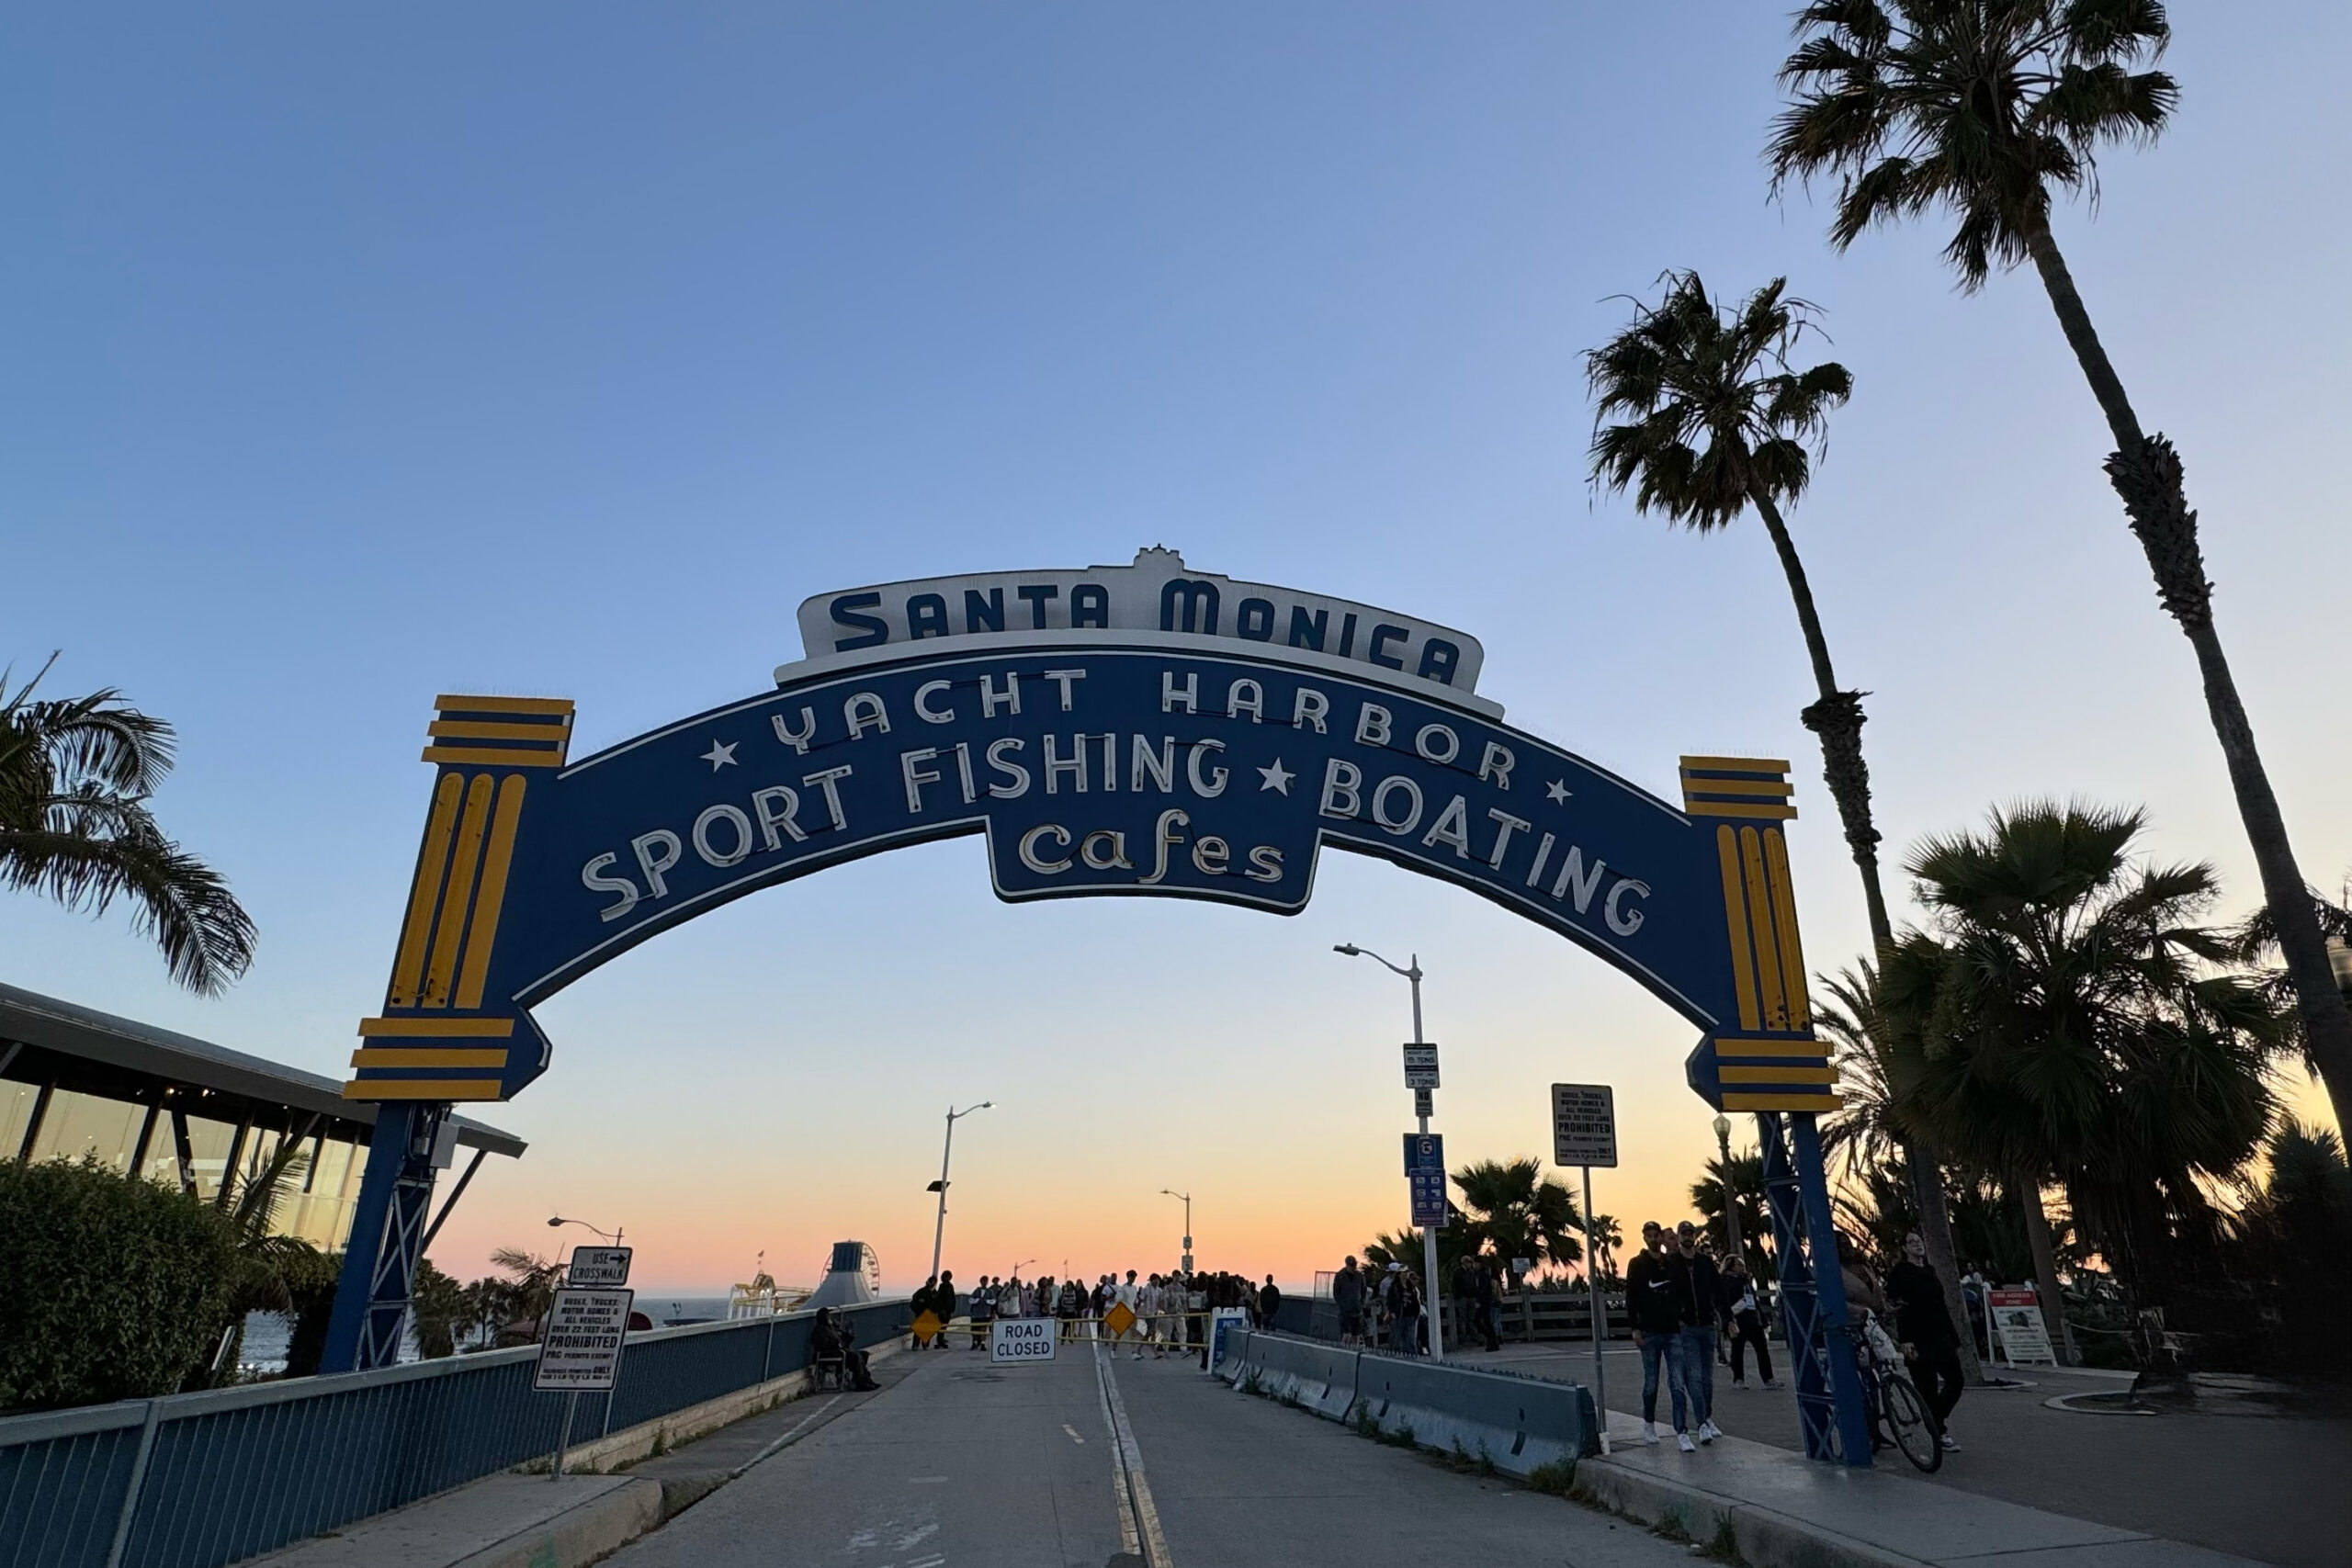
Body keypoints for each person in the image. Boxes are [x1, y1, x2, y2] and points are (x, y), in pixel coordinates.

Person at [1885, 1230, 1964, 1450]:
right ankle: (1939, 1432)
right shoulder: (1900, 1273)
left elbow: (1941, 1304)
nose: (1917, 1245)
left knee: (1956, 1380)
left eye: (1919, 1241)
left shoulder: (1930, 1270)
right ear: (1904, 1248)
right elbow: (1899, 1308)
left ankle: (1935, 1418)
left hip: (1940, 1333)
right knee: (1926, 1385)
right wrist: (1905, 1339)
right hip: (1917, 1337)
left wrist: (1953, 1335)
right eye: (1912, 1242)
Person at [1624, 1222, 1697, 1450]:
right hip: (1649, 1331)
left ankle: (1682, 1432)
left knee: (1677, 1383)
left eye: (1657, 1235)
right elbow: (1631, 1296)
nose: (1654, 1239)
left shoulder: (1671, 1263)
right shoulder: (1637, 1264)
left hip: (1672, 1331)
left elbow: (1682, 1291)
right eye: (1650, 1235)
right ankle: (1649, 1423)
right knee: (1651, 1383)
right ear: (1644, 1238)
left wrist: (1681, 1315)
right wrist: (1635, 1328)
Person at [1676, 1224, 1723, 1445]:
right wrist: (1677, 1316)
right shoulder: (1673, 1263)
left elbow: (1718, 1290)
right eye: (1684, 1234)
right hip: (1686, 1328)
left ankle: (1707, 1416)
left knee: (1707, 1378)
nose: (1688, 1237)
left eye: (1691, 1233)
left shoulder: (1705, 1263)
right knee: (1694, 1376)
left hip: (1706, 1325)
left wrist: (1727, 1318)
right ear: (1679, 1237)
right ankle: (1702, 1423)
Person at [1719, 1256, 1777, 1389]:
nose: (1742, 1267)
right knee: (1737, 1350)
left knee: (1762, 1349)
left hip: (1753, 1319)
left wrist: (1763, 1321)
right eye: (1739, 1265)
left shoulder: (1746, 1281)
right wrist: (1728, 1320)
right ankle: (1738, 1379)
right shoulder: (1726, 1282)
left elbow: (1754, 1301)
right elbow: (1724, 1302)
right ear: (1731, 1267)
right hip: (1738, 1319)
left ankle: (1769, 1378)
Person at [813, 1307, 879, 1390]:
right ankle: (860, 1382)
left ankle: (866, 1380)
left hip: (838, 1351)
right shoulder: (819, 1330)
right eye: (829, 1316)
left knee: (864, 1354)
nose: (831, 1317)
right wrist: (837, 1344)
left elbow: (840, 1340)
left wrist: (847, 1337)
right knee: (855, 1357)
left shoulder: (830, 1328)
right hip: (830, 1353)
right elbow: (824, 1345)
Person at [1334, 1256, 1366, 1347]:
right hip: (1345, 1310)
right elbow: (1336, 1293)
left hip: (1357, 1309)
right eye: (1351, 1265)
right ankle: (1344, 1350)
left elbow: (1364, 1291)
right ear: (1347, 1265)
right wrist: (1342, 1305)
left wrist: (1361, 1304)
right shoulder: (1340, 1276)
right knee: (1346, 1333)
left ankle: (1355, 1349)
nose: (1353, 1267)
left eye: (1354, 1265)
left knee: (1356, 1334)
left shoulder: (1359, 1276)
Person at [1476, 1259, 1501, 1352]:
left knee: (1484, 1322)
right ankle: (1493, 1341)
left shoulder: (1482, 1276)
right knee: (1487, 1322)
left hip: (1484, 1302)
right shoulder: (1484, 1275)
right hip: (1487, 1302)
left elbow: (1483, 1290)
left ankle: (1492, 1341)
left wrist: (1479, 1301)